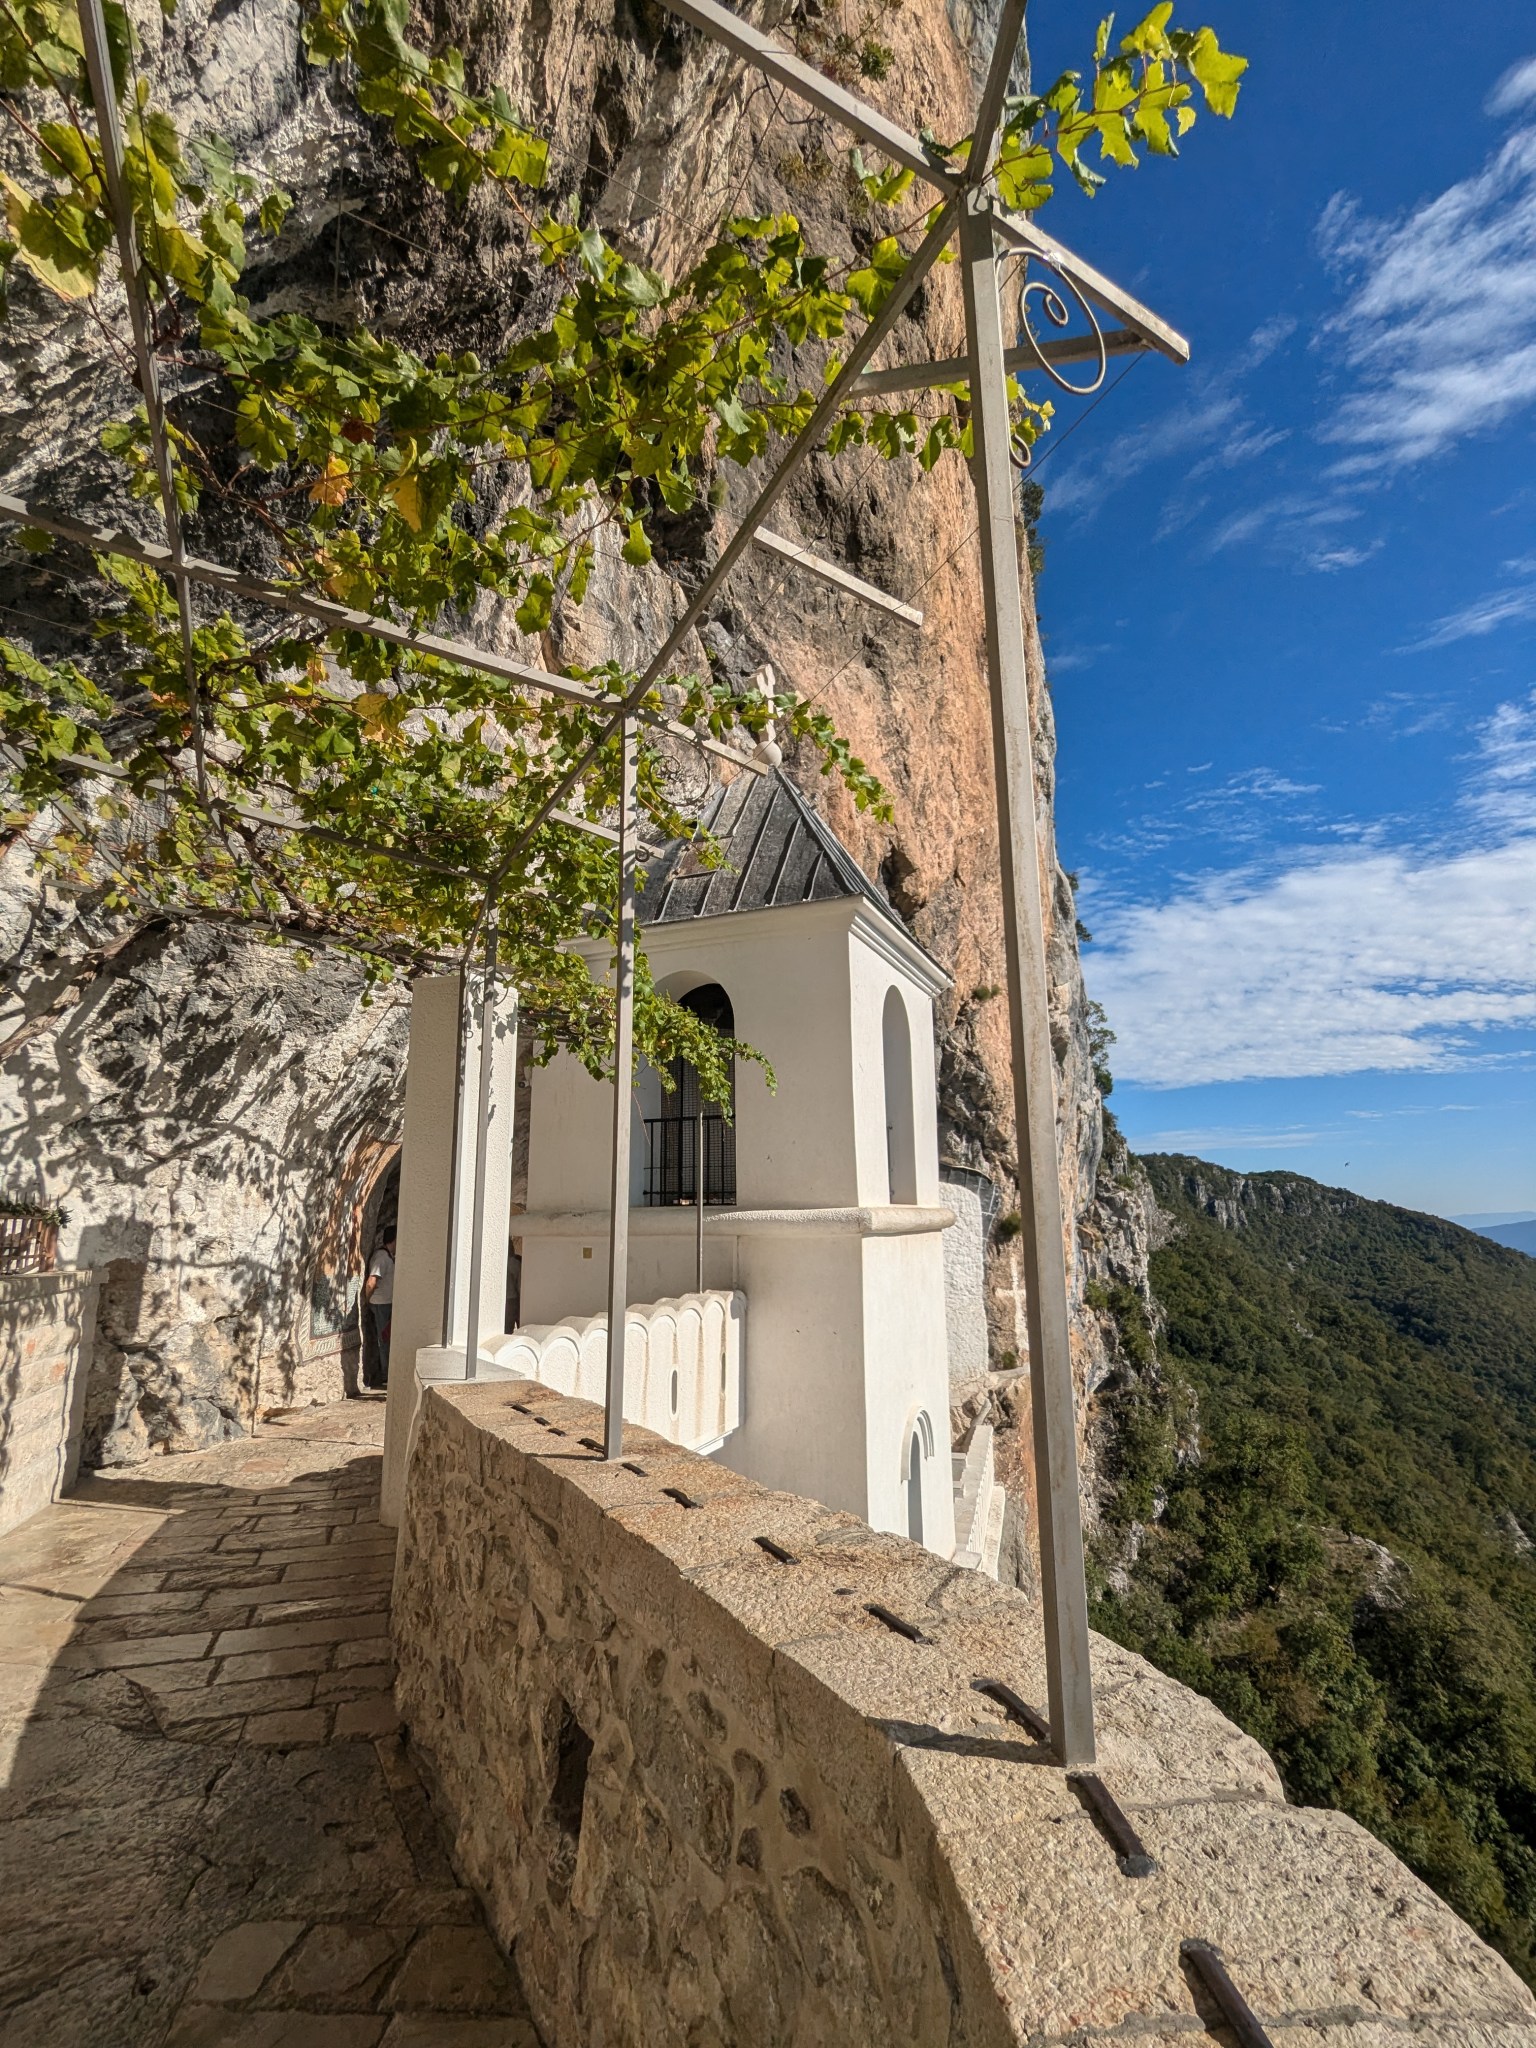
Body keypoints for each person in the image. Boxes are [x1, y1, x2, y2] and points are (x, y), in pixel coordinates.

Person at [362, 1230, 396, 1387]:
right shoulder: (381, 1257)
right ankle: (386, 1374)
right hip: (381, 1304)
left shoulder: (388, 1257)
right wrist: (368, 1300)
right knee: (384, 1340)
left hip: (386, 1303)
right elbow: (371, 1282)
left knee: (387, 1338)